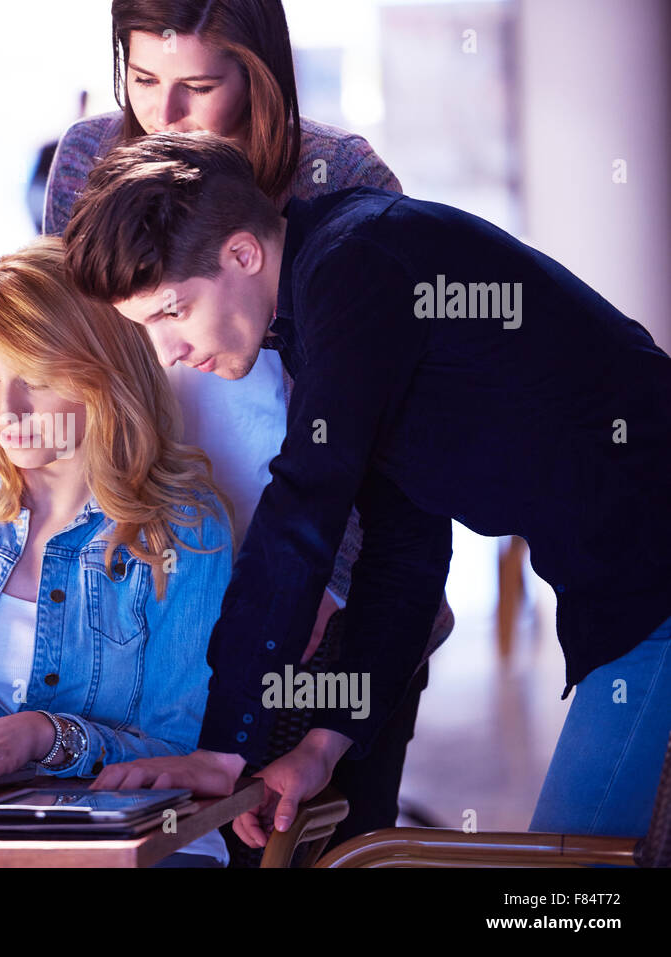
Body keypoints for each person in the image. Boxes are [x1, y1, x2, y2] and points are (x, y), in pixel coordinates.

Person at [62, 131, 671, 847]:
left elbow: (301, 518)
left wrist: (224, 747)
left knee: (574, 878)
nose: (170, 353)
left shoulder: (357, 263)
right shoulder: (330, 304)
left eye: (171, 311)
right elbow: (403, 551)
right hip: (632, 586)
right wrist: (322, 745)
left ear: (242, 254)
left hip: (651, 578)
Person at [43, 0, 450, 849]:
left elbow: (391, 429)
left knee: (320, 834)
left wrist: (326, 595)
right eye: (144, 80)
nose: (165, 114)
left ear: (257, 74)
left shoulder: (340, 176)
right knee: (173, 835)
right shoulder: (88, 159)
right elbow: (81, 375)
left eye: (199, 85)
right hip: (163, 586)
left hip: (335, 584)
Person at [0, 237, 235, 865]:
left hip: (140, 848)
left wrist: (48, 736)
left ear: (105, 376)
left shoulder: (184, 528)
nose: (5, 410)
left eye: (36, 382)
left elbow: (180, 750)